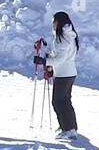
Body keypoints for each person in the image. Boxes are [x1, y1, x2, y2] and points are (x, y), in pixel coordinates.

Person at [34, 11, 79, 139]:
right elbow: (60, 56)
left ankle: (68, 129)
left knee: (58, 102)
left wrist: (44, 61)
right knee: (65, 101)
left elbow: (60, 59)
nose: (52, 24)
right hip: (68, 73)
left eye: (54, 22)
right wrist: (49, 58)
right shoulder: (69, 35)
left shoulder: (62, 39)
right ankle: (70, 127)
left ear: (59, 23)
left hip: (64, 74)